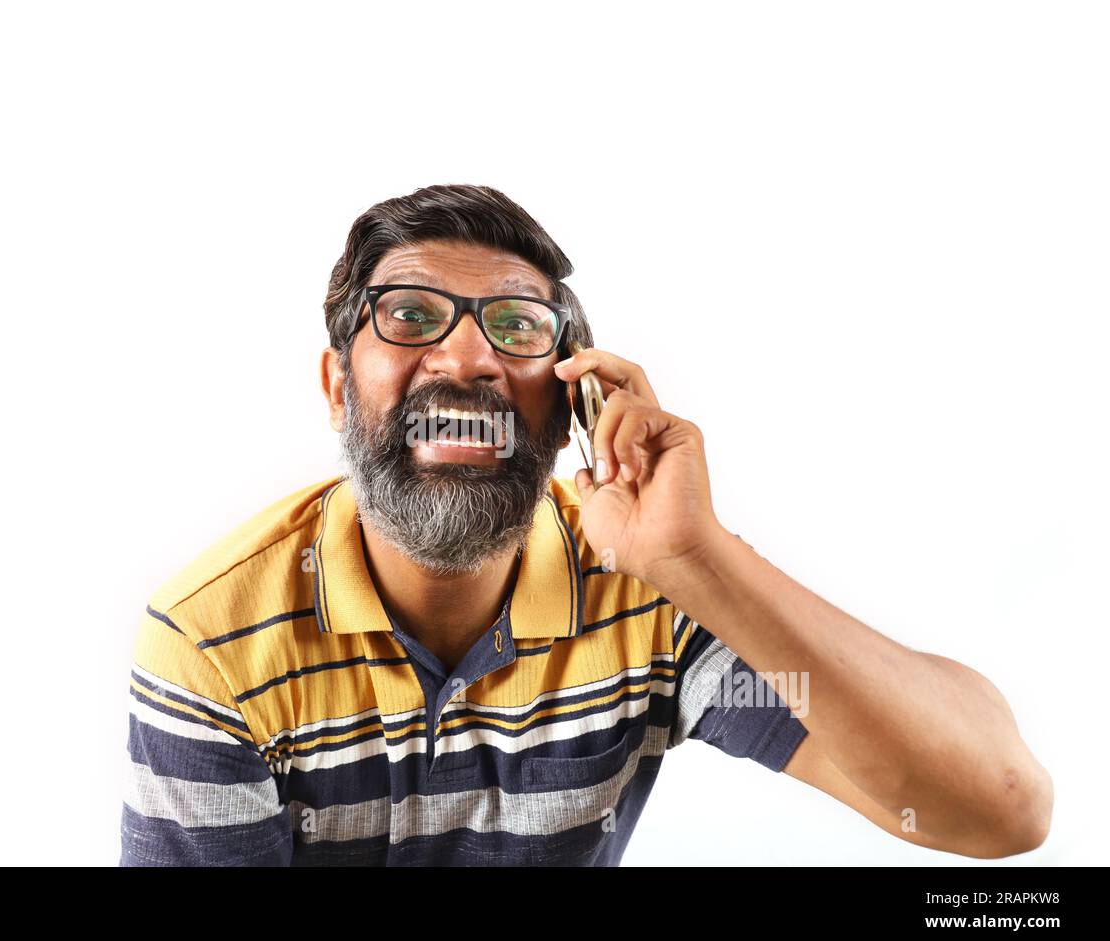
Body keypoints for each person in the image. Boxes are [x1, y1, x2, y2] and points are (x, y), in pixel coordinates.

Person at [120, 184, 1052, 866]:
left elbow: (996, 810)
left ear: (574, 405)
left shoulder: (652, 597)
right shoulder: (212, 642)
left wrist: (698, 558)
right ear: (336, 388)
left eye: (518, 328)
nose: (467, 357)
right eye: (409, 316)